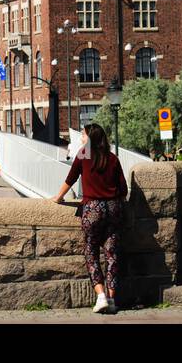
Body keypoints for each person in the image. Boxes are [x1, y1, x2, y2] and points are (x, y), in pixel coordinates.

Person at [52, 123, 128, 313]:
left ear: (90, 139)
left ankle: (100, 295)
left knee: (91, 251)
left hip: (93, 208)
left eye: (83, 136)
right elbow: (124, 189)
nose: (81, 139)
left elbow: (70, 179)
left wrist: (58, 198)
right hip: (114, 209)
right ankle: (111, 300)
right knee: (112, 255)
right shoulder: (112, 158)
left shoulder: (83, 155)